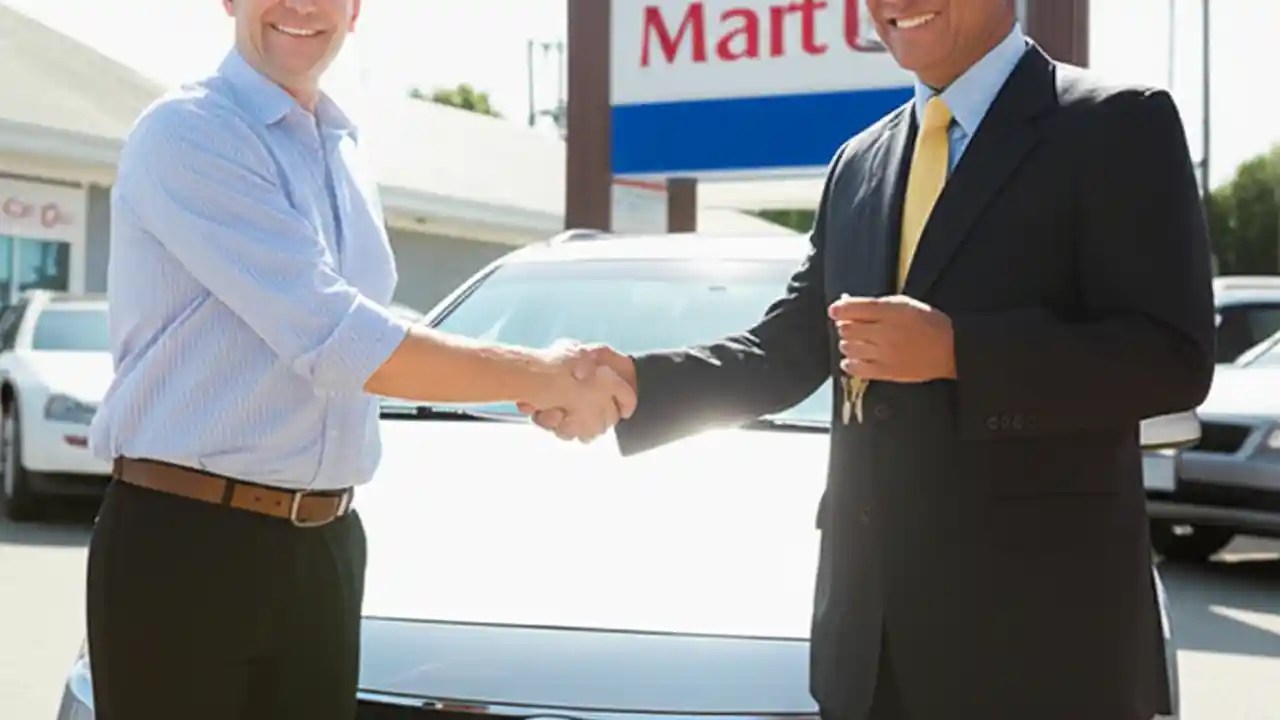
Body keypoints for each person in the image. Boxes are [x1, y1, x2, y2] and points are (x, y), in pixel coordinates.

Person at [526, 1, 1215, 718]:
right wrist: (636, 383)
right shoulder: (859, 161)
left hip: (1041, 650)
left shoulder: (1116, 124)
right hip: (867, 650)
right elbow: (787, 349)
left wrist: (961, 352)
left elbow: (1173, 355)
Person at [84, 1, 634, 718]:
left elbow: (370, 332)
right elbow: (339, 339)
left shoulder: (341, 149)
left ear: (355, 10)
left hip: (325, 547)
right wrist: (547, 377)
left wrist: (541, 376)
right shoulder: (189, 132)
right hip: (188, 547)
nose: (301, 5)